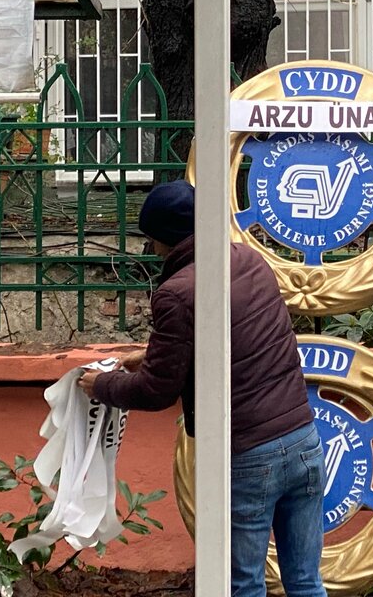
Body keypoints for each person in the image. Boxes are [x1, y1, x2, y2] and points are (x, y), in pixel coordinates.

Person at [78, 180, 327, 597]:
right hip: (303, 439)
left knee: (242, 584)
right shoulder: (249, 260)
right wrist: (154, 355)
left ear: (160, 238)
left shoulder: (176, 293)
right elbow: (233, 336)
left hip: (250, 456)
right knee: (305, 581)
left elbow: (157, 391)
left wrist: (102, 385)